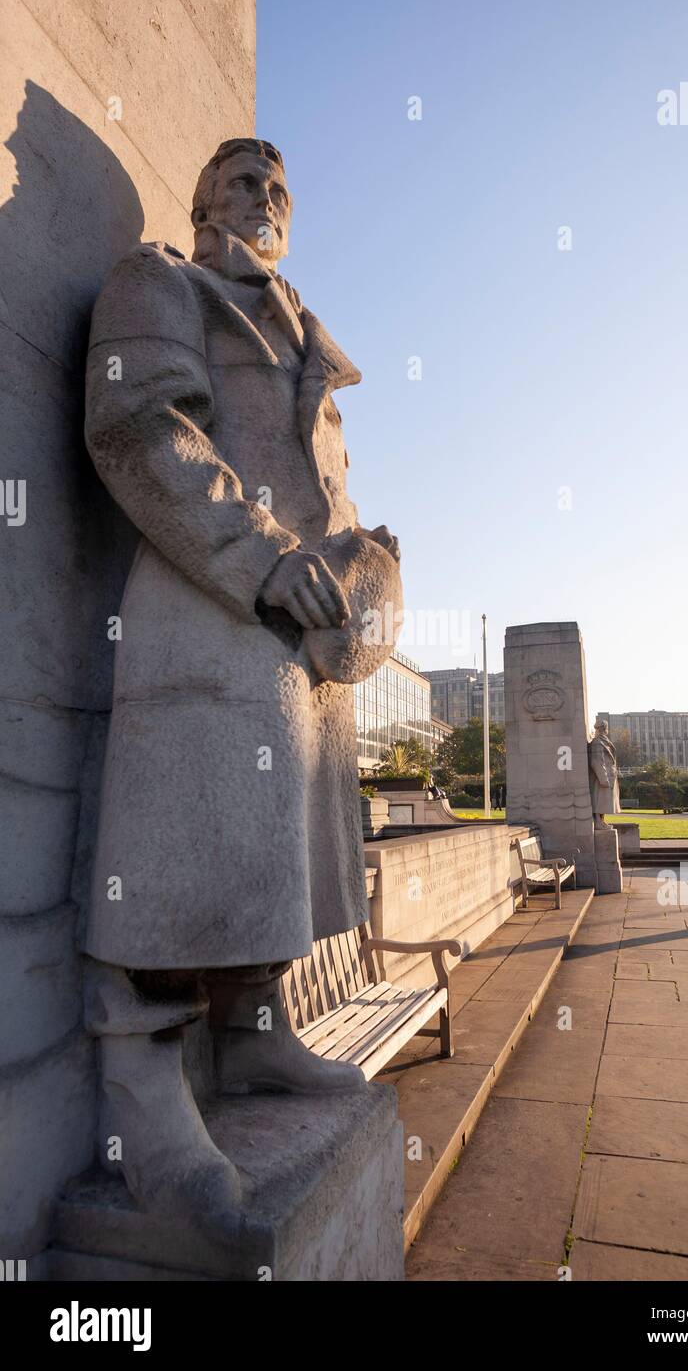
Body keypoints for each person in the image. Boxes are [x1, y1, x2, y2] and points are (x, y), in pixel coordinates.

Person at [82, 138, 401, 1228]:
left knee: (271, 859)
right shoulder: (160, 283)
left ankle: (255, 1032)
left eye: (277, 186)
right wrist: (263, 557)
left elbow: (332, 497)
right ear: (201, 199)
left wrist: (365, 574)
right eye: (239, 181)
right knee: (179, 849)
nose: (262, 197)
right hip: (206, 604)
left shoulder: (314, 340)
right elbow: (137, 428)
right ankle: (141, 1080)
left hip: (304, 647)